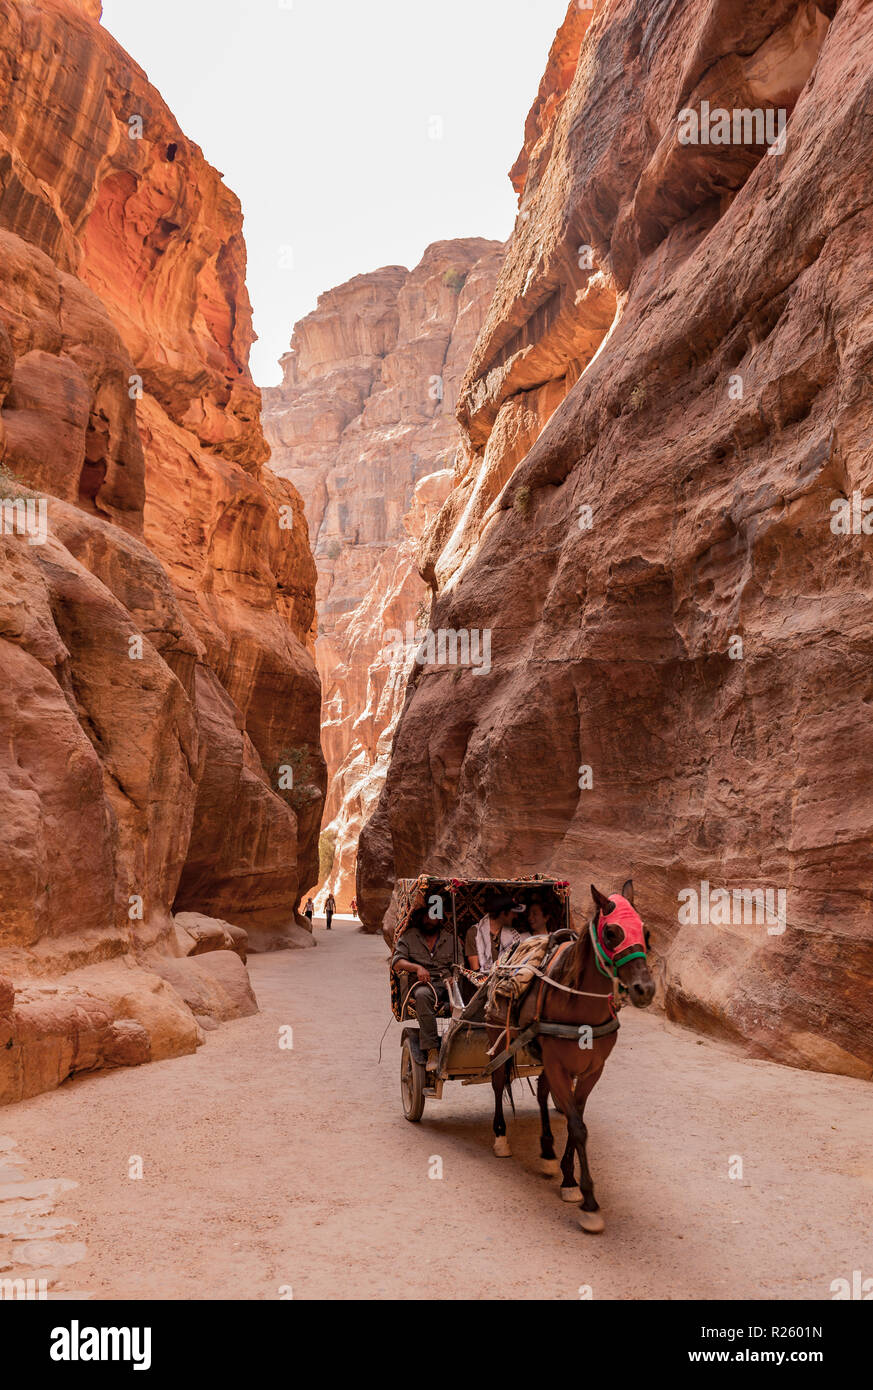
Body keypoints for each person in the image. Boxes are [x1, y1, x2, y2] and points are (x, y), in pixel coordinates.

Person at [392, 905, 455, 1074]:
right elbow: (397, 962)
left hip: (446, 985)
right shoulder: (409, 937)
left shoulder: (451, 940)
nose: (428, 920)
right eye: (425, 916)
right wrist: (416, 967)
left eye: (433, 916)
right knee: (422, 995)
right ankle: (432, 1050)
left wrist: (453, 979)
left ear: (441, 919)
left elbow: (459, 966)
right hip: (422, 985)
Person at [465, 894, 529, 972]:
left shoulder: (513, 935)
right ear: (503, 913)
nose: (515, 916)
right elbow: (475, 969)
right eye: (513, 912)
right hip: (483, 980)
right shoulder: (474, 933)